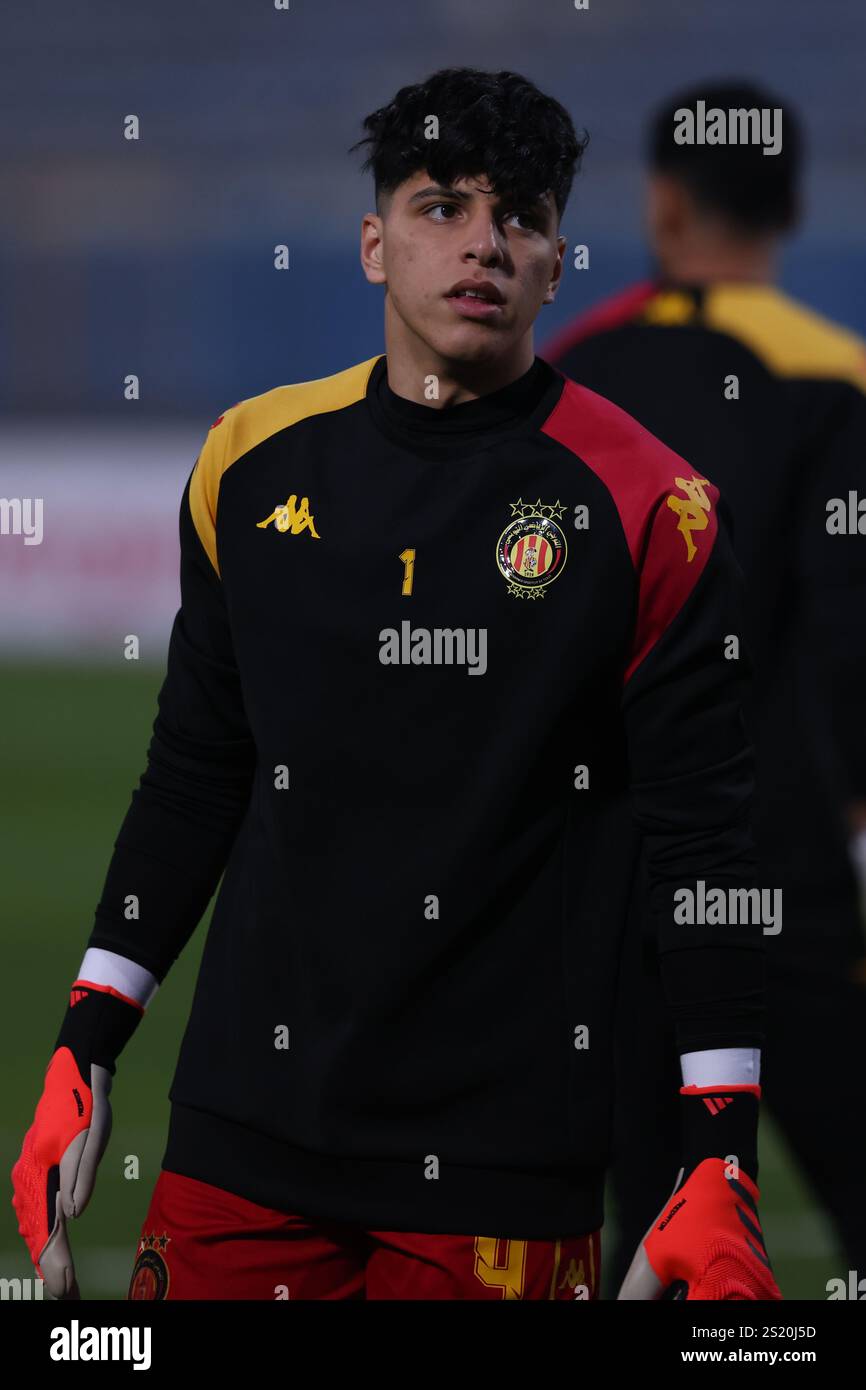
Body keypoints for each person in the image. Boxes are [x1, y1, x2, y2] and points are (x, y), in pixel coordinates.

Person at [12, 67, 780, 1302]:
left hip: (503, 1161)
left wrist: (719, 1150)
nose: (482, 240)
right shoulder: (247, 465)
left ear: (553, 263)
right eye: (441, 206)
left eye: (518, 216)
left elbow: (706, 847)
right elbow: (197, 768)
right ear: (374, 245)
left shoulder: (653, 508)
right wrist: (86, 1035)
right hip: (241, 1139)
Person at [545, 79, 866, 1294]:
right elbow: (847, 638)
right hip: (782, 865)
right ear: (787, 203)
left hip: (615, 878)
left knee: (648, 1220)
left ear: (661, 202)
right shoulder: (829, 377)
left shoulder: (575, 369)